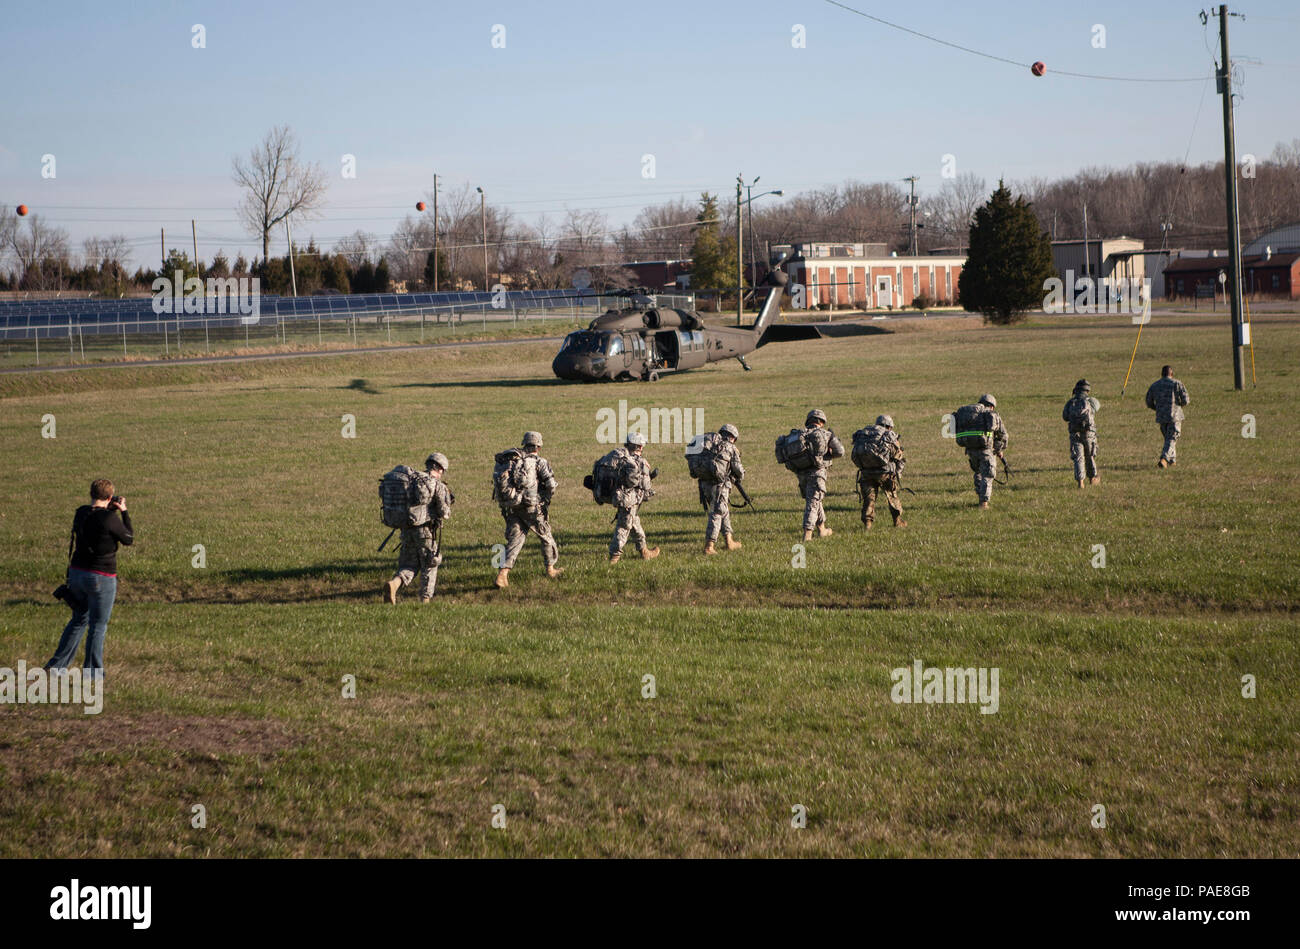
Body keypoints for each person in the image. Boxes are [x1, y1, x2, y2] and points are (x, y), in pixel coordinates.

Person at [45, 479, 133, 679]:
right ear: (110, 497)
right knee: (98, 624)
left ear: (91, 494)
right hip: (101, 576)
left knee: (79, 619)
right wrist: (124, 512)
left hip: (77, 573)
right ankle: (92, 672)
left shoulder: (81, 512)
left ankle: (56, 666)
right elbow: (128, 538)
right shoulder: (110, 519)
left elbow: (95, 517)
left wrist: (109, 510)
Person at [383, 453, 453, 604]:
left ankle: (394, 584)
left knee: (410, 564)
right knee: (430, 563)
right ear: (440, 469)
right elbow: (444, 513)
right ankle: (425, 599)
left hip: (406, 528)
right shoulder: (435, 484)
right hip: (425, 532)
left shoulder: (414, 480)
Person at [494, 431, 561, 588]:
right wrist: (544, 499)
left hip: (511, 507)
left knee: (515, 541)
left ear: (525, 444)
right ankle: (550, 569)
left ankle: (502, 574)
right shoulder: (539, 462)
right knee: (546, 537)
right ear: (538, 447)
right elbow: (551, 485)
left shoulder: (511, 461)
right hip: (531, 508)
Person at [608, 431, 659, 564]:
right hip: (629, 500)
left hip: (619, 497)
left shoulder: (620, 459)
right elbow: (646, 486)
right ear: (640, 447)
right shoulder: (641, 462)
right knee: (624, 528)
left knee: (635, 523)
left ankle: (644, 551)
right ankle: (614, 557)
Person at [793, 409, 845, 541]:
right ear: (821, 422)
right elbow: (840, 452)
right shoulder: (826, 434)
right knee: (813, 502)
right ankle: (807, 534)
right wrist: (828, 453)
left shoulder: (801, 434)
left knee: (815, 500)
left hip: (801, 473)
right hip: (817, 473)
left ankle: (822, 529)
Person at [853, 414, 907, 529]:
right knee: (892, 497)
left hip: (866, 473)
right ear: (889, 426)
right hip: (885, 473)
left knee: (869, 499)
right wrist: (897, 471)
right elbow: (898, 455)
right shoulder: (888, 435)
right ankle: (897, 521)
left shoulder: (864, 433)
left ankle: (868, 524)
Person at [700, 424, 745, 555]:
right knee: (717, 513)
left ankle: (729, 541)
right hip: (720, 485)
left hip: (704, 484)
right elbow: (739, 470)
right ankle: (709, 545)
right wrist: (741, 475)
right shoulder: (729, 447)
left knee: (723, 510)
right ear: (732, 437)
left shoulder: (709, 445)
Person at [962, 394, 1008, 510]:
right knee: (987, 475)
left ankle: (980, 496)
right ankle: (983, 503)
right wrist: (998, 449)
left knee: (978, 472)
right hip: (986, 450)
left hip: (971, 450)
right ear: (992, 406)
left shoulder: (971, 414)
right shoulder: (991, 415)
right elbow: (1003, 435)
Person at [1145, 365, 1190, 468]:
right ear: (1172, 374)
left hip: (1161, 416)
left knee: (1168, 439)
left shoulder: (1154, 385)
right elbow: (1186, 400)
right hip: (1175, 416)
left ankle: (1172, 460)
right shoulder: (1177, 383)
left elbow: (1148, 401)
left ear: (1162, 374)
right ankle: (1164, 459)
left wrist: (1157, 408)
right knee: (1172, 438)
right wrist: (1179, 406)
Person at [1062, 379, 1101, 488]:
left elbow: (1065, 417)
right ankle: (1093, 478)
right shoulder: (1091, 401)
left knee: (1078, 458)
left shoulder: (1070, 402)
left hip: (1075, 434)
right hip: (1089, 433)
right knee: (1090, 456)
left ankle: (1081, 483)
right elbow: (1097, 407)